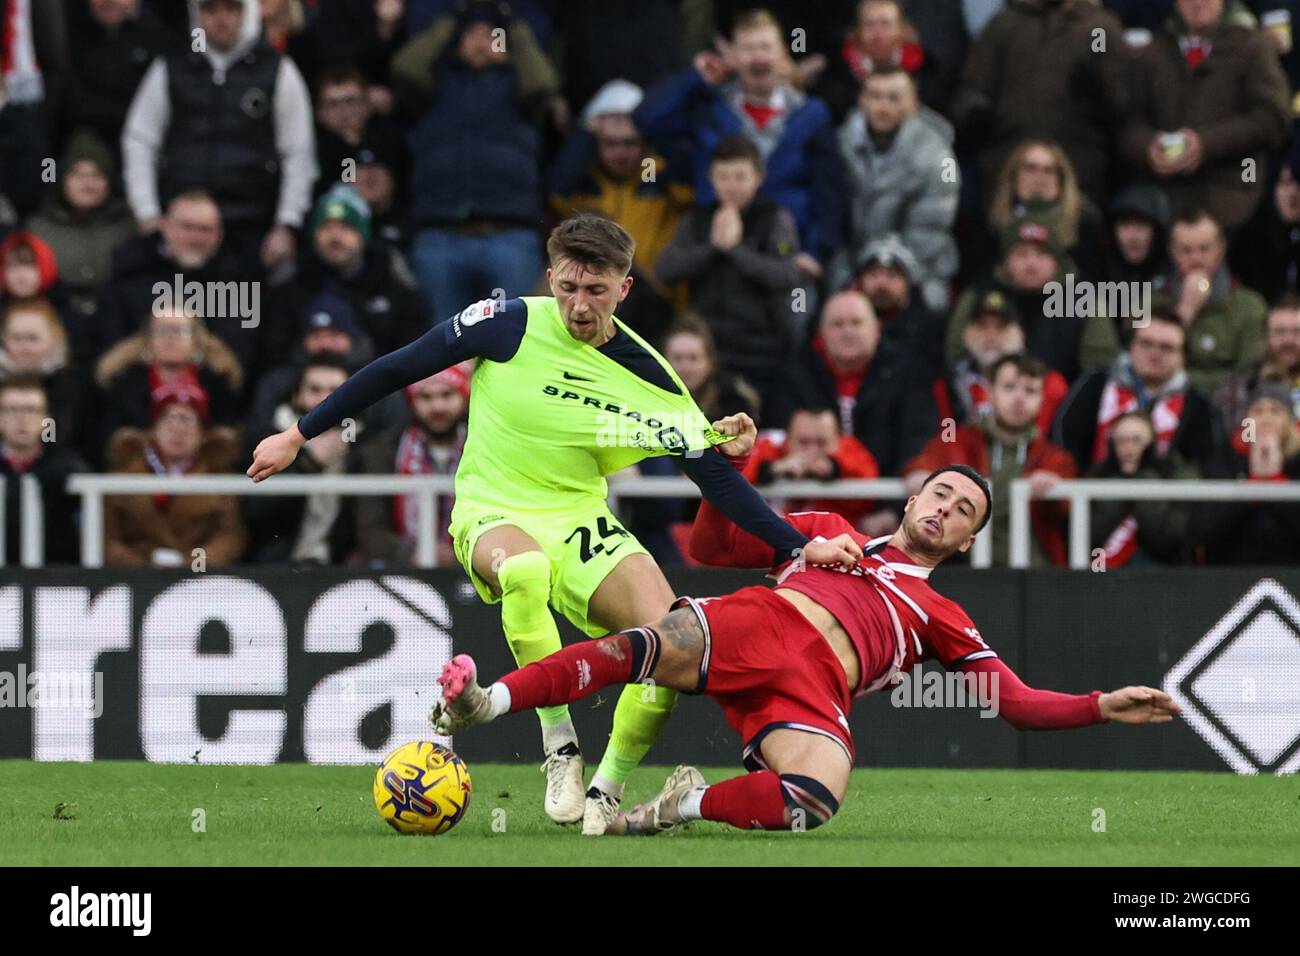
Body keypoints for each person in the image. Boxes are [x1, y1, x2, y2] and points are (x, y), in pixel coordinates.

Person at [248, 215, 858, 832]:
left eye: (596, 291)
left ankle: (606, 792)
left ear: (624, 288)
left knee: (674, 636)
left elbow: (715, 477)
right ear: (551, 278)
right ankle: (560, 745)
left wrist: (802, 547)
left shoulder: (649, 377)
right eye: (568, 287)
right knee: (527, 571)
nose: (578, 304)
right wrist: (300, 434)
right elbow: (400, 366)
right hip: (492, 507)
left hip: (578, 516)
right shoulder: (508, 322)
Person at [432, 458, 1179, 836]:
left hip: (812, 693)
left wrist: (1099, 706)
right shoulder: (828, 532)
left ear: (967, 539)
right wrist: (732, 465)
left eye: (963, 512)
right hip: (767, 621)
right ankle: (484, 701)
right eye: (941, 495)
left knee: (813, 801)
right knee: (645, 645)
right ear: (914, 498)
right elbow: (712, 540)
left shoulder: (942, 614)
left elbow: (1014, 704)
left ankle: (674, 808)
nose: (946, 511)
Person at [633, 7, 843, 271]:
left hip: (787, 257)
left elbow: (828, 191)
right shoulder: (708, 109)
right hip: (715, 257)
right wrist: (694, 77)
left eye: (765, 47)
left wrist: (816, 253)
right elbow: (646, 119)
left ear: (782, 54)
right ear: (732, 56)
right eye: (748, 48)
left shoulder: (812, 114)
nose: (758, 57)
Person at [121, 0, 317, 270]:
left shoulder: (278, 70)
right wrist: (148, 213)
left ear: (247, 12)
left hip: (251, 226)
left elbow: (298, 152)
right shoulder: (170, 67)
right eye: (210, 9)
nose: (221, 19)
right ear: (196, 14)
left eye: (231, 9)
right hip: (180, 225)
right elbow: (140, 141)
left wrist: (287, 223)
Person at [1122, 0, 1290, 234]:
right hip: (1164, 209)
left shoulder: (1251, 48)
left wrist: (1205, 143)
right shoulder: (1154, 52)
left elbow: (1273, 118)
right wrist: (1149, 147)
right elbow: (1128, 122)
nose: (1197, 3)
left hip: (1234, 205)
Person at [656, 134, 802, 402]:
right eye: (723, 176)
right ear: (711, 177)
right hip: (705, 344)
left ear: (758, 177)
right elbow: (665, 270)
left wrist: (735, 251)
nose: (731, 185)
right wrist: (711, 248)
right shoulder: (698, 219)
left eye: (740, 177)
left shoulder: (774, 219)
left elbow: (788, 276)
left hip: (759, 346)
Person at [906, 353, 1076, 566]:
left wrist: (1054, 489)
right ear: (989, 393)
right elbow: (921, 465)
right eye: (1009, 387)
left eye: (1030, 390)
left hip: (1035, 576)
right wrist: (919, 474)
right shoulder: (956, 441)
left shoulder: (1055, 459)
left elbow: (1067, 515)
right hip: (961, 570)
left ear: (1042, 399)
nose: (1019, 398)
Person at [838, 67, 958, 311]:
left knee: (929, 304)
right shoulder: (841, 144)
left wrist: (882, 273)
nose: (883, 106)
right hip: (853, 262)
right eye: (875, 96)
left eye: (894, 98)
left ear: (913, 103)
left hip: (920, 265)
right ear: (862, 100)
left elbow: (929, 231)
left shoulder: (938, 156)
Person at [1054, 308, 1223, 475]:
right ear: (1131, 346)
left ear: (1183, 357)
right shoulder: (1095, 384)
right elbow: (1064, 444)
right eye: (1146, 344)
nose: (1154, 354)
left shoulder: (1197, 404)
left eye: (1166, 348)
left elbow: (1205, 463)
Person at [103, 379, 248, 567]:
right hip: (134, 579)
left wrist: (188, 563)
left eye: (187, 420)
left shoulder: (219, 480)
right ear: (154, 430)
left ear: (202, 434)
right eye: (169, 419)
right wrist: (143, 565)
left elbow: (229, 538)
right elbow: (106, 538)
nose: (178, 429)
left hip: (198, 582)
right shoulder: (121, 478)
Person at [353, 362, 472, 568]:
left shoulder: (485, 447)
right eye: (426, 397)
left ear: (464, 397)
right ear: (412, 401)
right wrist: (412, 552)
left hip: (472, 564)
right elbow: (369, 528)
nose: (437, 407)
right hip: (402, 569)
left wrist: (465, 550)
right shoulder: (383, 451)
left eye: (447, 395)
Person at [244, 354, 356, 565]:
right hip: (277, 568)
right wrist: (309, 463)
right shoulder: (265, 440)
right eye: (314, 390)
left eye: (336, 391)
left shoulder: (365, 444)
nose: (326, 400)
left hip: (343, 572)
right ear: (296, 396)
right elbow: (256, 514)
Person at [1163, 208, 1269, 392]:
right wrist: (1184, 313)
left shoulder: (1249, 306)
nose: (1196, 258)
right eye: (1186, 250)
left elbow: (1249, 375)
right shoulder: (1151, 303)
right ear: (1173, 253)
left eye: (1204, 249)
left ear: (1221, 249)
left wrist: (1181, 381)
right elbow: (1146, 368)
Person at [1202, 382, 1300, 564]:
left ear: (1290, 421)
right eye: (1258, 411)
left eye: (1276, 411)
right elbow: (1205, 530)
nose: (1266, 419)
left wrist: (1276, 481)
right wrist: (1252, 485)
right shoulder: (1227, 458)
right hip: (1232, 571)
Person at [1086, 411, 1195, 568]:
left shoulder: (1175, 474)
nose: (1128, 449)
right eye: (1121, 441)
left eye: (1137, 440)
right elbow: (1088, 536)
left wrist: (1145, 483)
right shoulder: (1097, 477)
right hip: (1102, 572)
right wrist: (1117, 490)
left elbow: (1172, 537)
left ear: (1152, 443)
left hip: (1164, 572)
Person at [743, 406, 880, 526]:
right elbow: (735, 475)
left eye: (822, 443)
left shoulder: (849, 450)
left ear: (838, 440)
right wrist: (772, 469)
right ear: (788, 439)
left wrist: (834, 468)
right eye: (803, 442)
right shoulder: (770, 446)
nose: (812, 451)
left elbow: (869, 484)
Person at [0, 378, 86, 564]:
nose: (22, 419)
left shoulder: (68, 467)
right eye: (12, 410)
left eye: (31, 410)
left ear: (45, 420)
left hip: (55, 582)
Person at [1214, 296, 1300, 440]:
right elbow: (1236, 443)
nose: (1288, 340)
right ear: (1265, 338)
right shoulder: (1240, 387)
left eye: (1297, 332)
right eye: (1279, 332)